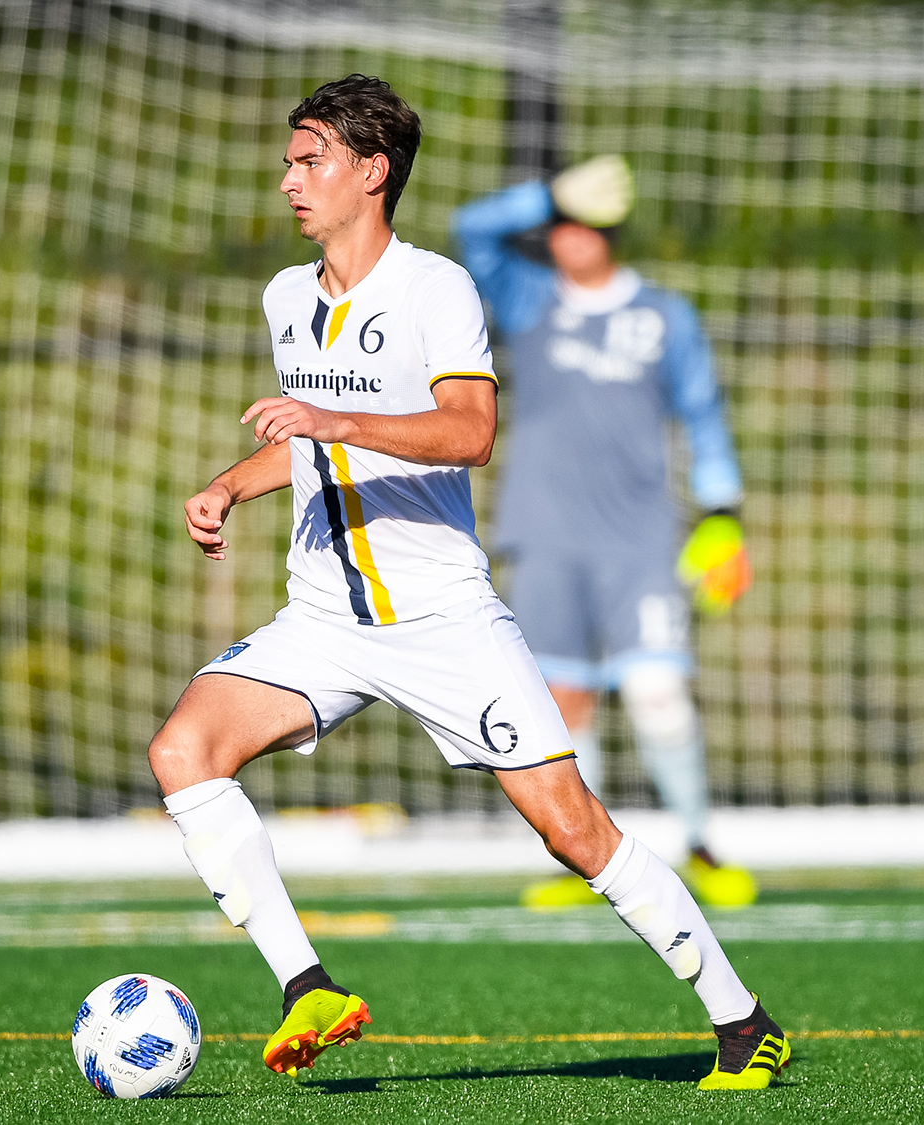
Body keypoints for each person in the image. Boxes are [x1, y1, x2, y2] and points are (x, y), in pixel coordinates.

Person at [148, 76, 789, 1091]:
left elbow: (468, 432)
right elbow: (309, 445)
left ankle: (743, 1020)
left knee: (573, 829)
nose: (289, 182)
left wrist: (331, 421)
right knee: (183, 750)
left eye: (310, 160)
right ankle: (307, 985)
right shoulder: (283, 298)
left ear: (372, 172)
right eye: (288, 161)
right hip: (322, 618)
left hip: (443, 619)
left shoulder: (434, 288)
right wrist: (230, 485)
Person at [451, 155, 758, 910]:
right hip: (546, 537)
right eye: (557, 226)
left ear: (609, 232)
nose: (565, 237)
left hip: (641, 541)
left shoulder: (665, 315)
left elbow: (703, 413)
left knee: (659, 694)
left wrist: (723, 512)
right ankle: (585, 863)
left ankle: (702, 847)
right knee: (564, 705)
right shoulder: (528, 298)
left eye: (580, 224)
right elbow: (471, 230)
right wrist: (548, 194)